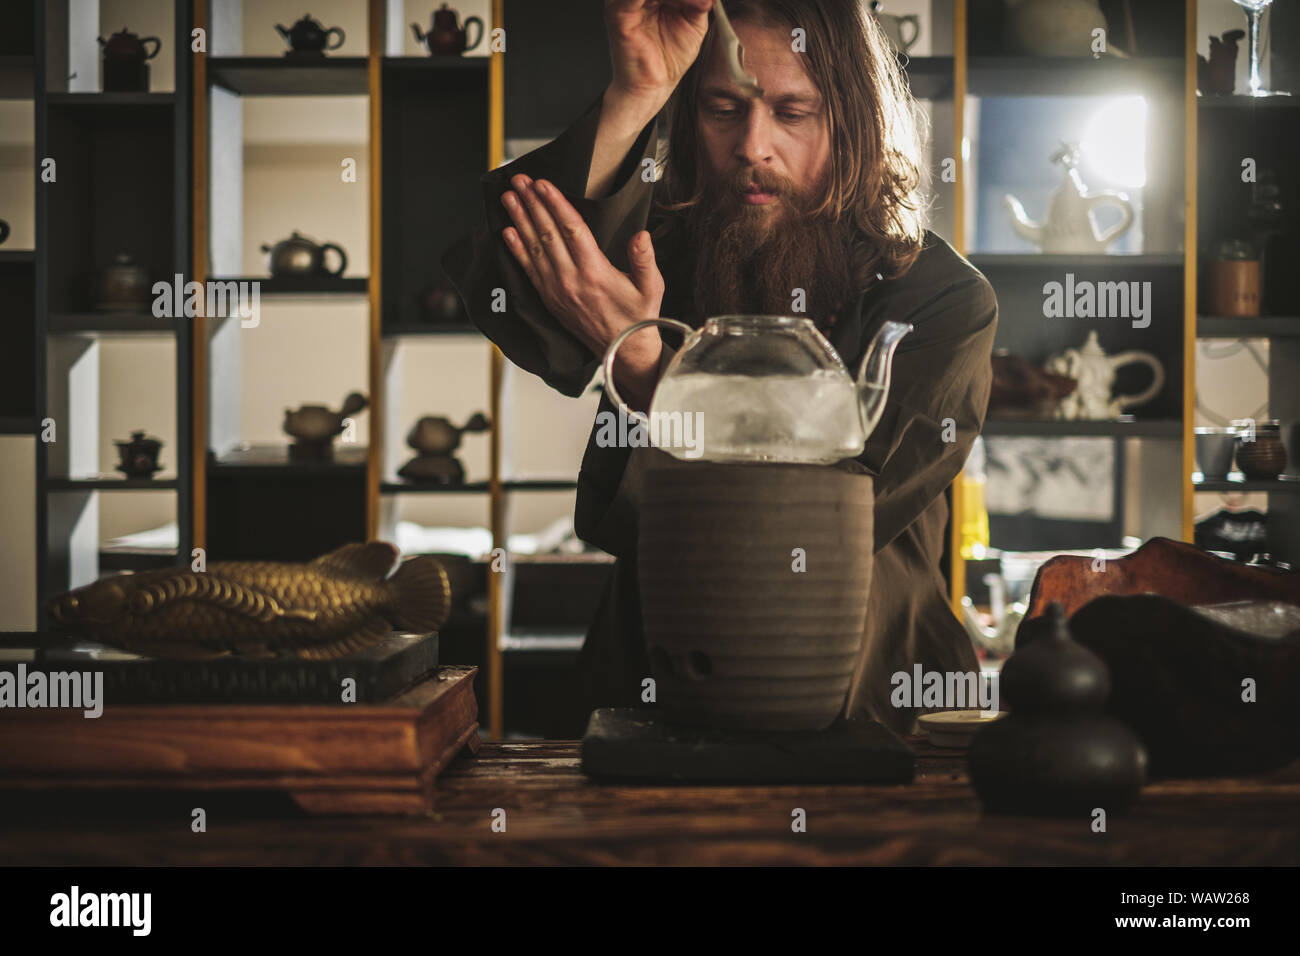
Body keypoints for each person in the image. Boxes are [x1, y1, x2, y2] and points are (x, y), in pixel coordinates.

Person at [442, 0, 997, 734]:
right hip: (654, 689)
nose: (751, 146)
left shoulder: (940, 300)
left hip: (873, 710)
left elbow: (818, 525)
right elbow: (504, 288)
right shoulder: (668, 250)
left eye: (792, 112)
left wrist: (647, 365)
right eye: (722, 109)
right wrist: (635, 92)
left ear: (855, 121)